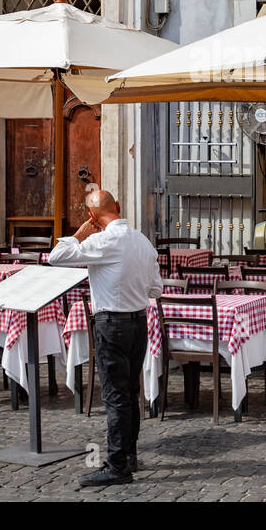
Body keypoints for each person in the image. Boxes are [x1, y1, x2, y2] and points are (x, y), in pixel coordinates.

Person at [47, 189, 160, 486]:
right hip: (138, 322)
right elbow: (155, 289)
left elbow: (55, 257)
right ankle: (129, 455)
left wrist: (80, 233)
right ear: (119, 207)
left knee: (115, 396)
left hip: (112, 323)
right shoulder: (143, 241)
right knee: (129, 393)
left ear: (92, 216)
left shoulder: (101, 240)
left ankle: (118, 465)